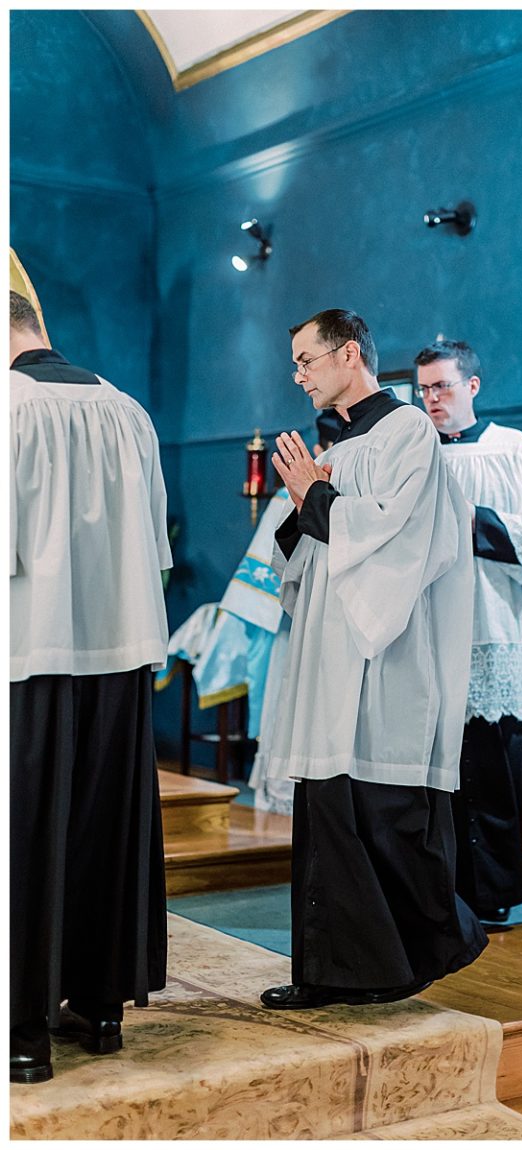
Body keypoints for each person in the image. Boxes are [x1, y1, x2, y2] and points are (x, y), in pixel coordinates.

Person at [258, 308, 487, 1009]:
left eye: (306, 360)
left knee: (381, 815)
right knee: (329, 809)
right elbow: (305, 555)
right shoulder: (341, 445)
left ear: (348, 354)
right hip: (332, 655)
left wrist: (318, 496)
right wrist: (302, 511)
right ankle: (332, 973)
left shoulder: (407, 432)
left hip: (383, 658)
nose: (297, 376)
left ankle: (434, 942)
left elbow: (400, 539)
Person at [10, 290, 171, 1082]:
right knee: (105, 827)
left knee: (24, 839)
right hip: (122, 649)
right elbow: (155, 544)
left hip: (30, 653)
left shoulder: (7, 406)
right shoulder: (128, 410)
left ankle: (21, 1034)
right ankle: (99, 1009)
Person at [414, 339, 522, 925]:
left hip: (498, 629)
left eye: (443, 386)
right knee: (441, 776)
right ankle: (445, 896)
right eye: (424, 388)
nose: (432, 398)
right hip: (431, 633)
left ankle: (495, 894)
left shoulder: (514, 450)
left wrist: (473, 523)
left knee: (501, 774)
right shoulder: (414, 452)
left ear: (472, 386)